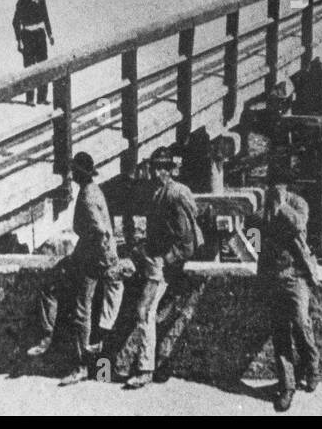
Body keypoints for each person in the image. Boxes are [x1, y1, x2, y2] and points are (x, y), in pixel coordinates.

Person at [29, 151, 132, 385]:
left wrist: (93, 263)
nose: (72, 174)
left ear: (79, 173)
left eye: (74, 170)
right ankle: (101, 373)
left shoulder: (87, 196)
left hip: (95, 262)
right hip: (102, 259)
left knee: (82, 313)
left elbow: (100, 232)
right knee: (101, 321)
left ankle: (79, 365)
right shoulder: (94, 190)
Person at [123, 146, 201, 390]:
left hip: (166, 263)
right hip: (156, 259)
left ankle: (145, 369)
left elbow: (186, 242)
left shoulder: (174, 194)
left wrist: (164, 260)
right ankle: (152, 364)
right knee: (153, 314)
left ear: (171, 170)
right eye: (155, 168)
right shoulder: (158, 192)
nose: (158, 173)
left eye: (163, 168)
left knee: (144, 310)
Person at [258, 182, 320, 412]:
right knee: (280, 332)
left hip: (295, 275)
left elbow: (299, 226)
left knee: (301, 324)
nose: (275, 186)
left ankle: (312, 367)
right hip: (273, 276)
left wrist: (282, 205)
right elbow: (255, 234)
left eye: (280, 182)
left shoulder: (298, 204)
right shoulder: (265, 205)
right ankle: (287, 386)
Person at [12, 0, 55, 105]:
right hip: (27, 35)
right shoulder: (22, 1)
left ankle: (42, 97)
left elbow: (46, 17)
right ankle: (30, 98)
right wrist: (19, 40)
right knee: (29, 67)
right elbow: (15, 22)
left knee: (43, 65)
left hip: (40, 35)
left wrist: (50, 34)